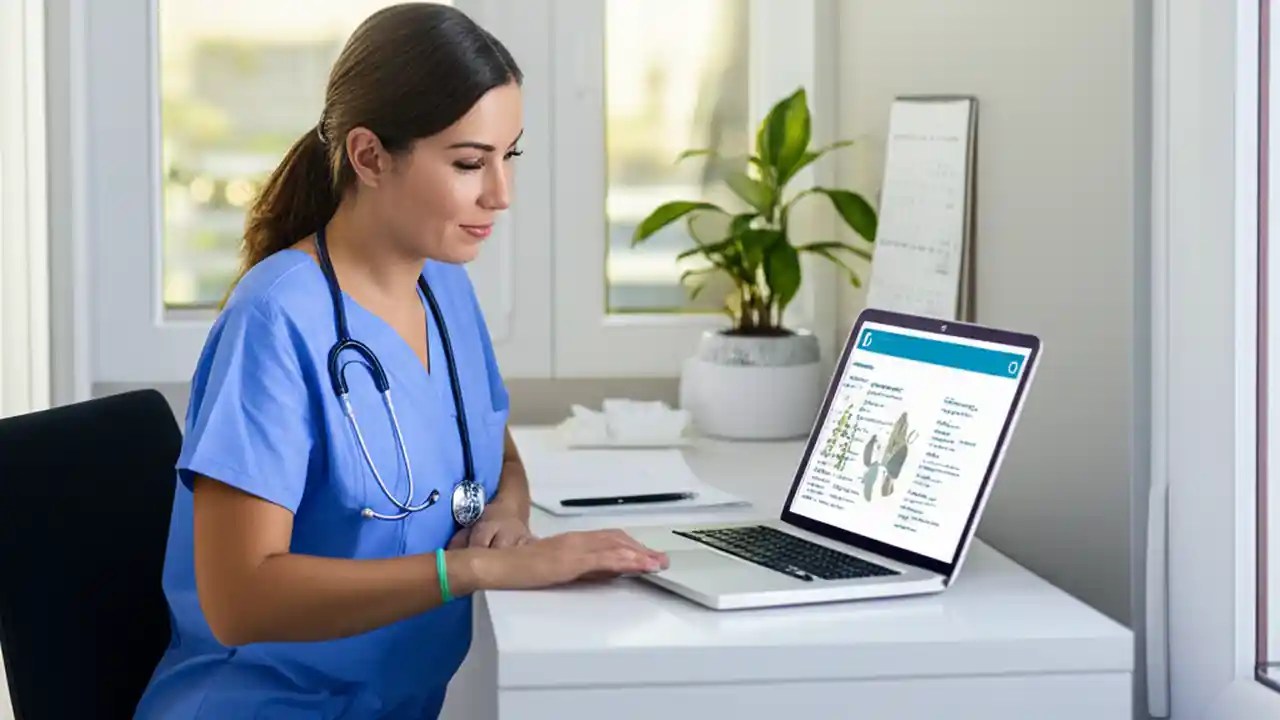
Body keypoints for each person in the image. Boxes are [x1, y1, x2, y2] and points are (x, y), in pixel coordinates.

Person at [133, 4, 668, 717]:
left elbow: (495, 456)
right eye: (469, 163)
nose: (500, 194)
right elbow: (239, 601)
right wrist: (476, 567)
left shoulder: (442, 286)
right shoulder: (276, 321)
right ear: (369, 156)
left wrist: (506, 517)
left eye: (509, 157)